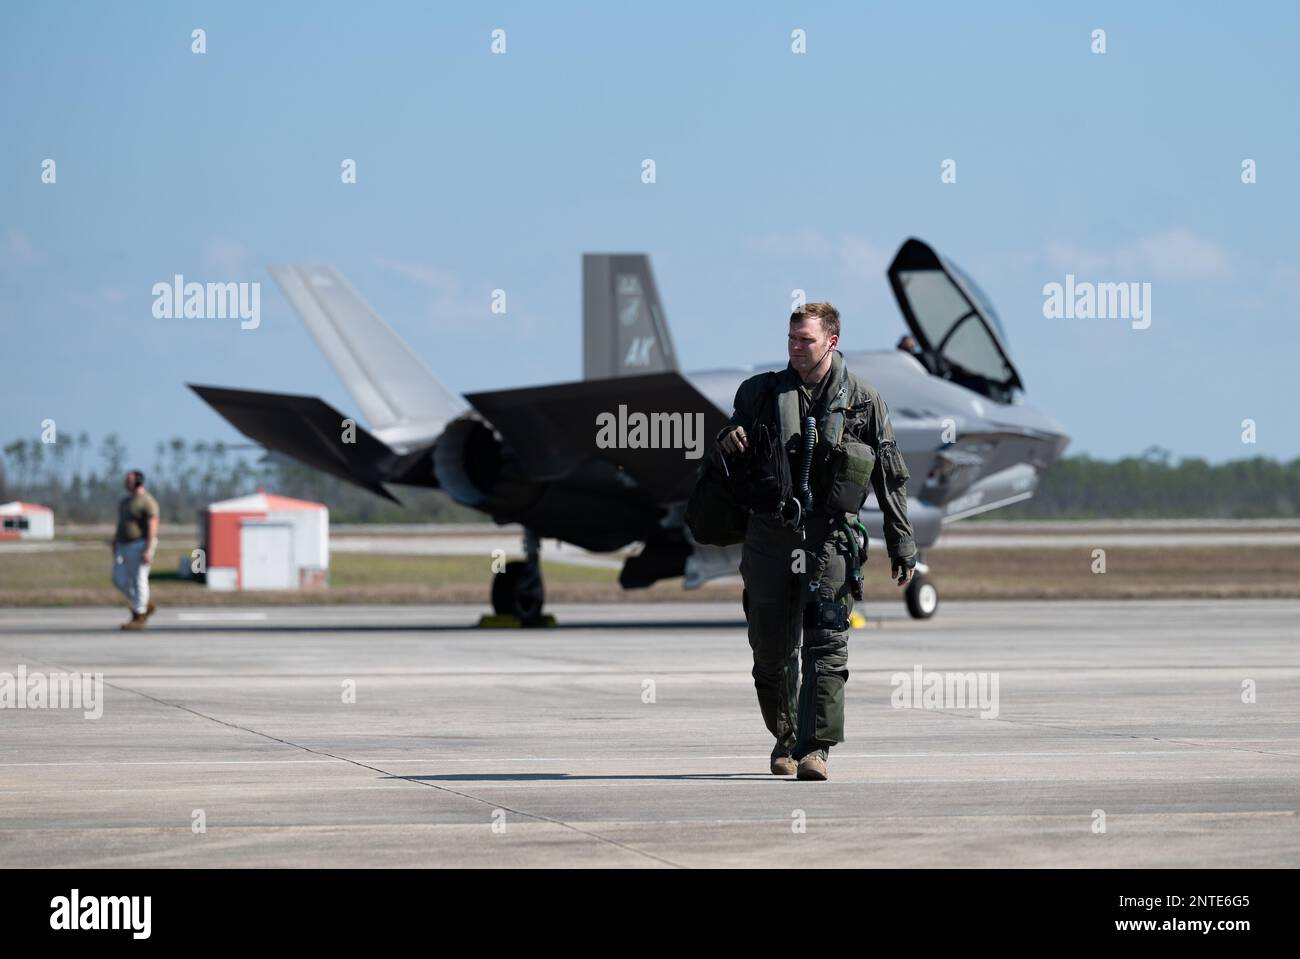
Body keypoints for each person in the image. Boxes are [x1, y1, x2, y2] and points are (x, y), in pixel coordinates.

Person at [716, 303, 916, 780]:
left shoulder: (865, 401)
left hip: (830, 539)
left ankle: (815, 750)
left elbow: (890, 476)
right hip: (769, 537)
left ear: (832, 340)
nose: (795, 347)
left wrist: (901, 542)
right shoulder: (759, 393)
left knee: (826, 645)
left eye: (805, 339)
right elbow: (727, 444)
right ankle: (784, 740)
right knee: (769, 651)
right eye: (791, 338)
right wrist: (729, 439)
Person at [112, 470, 159, 630]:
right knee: (119, 579)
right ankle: (144, 604)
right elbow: (121, 524)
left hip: (140, 544)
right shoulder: (125, 502)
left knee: (139, 579)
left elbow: (152, 526)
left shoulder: (147, 502)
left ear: (138, 482)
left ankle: (138, 615)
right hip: (123, 545)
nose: (126, 483)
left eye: (129, 480)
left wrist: (148, 549)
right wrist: (115, 542)